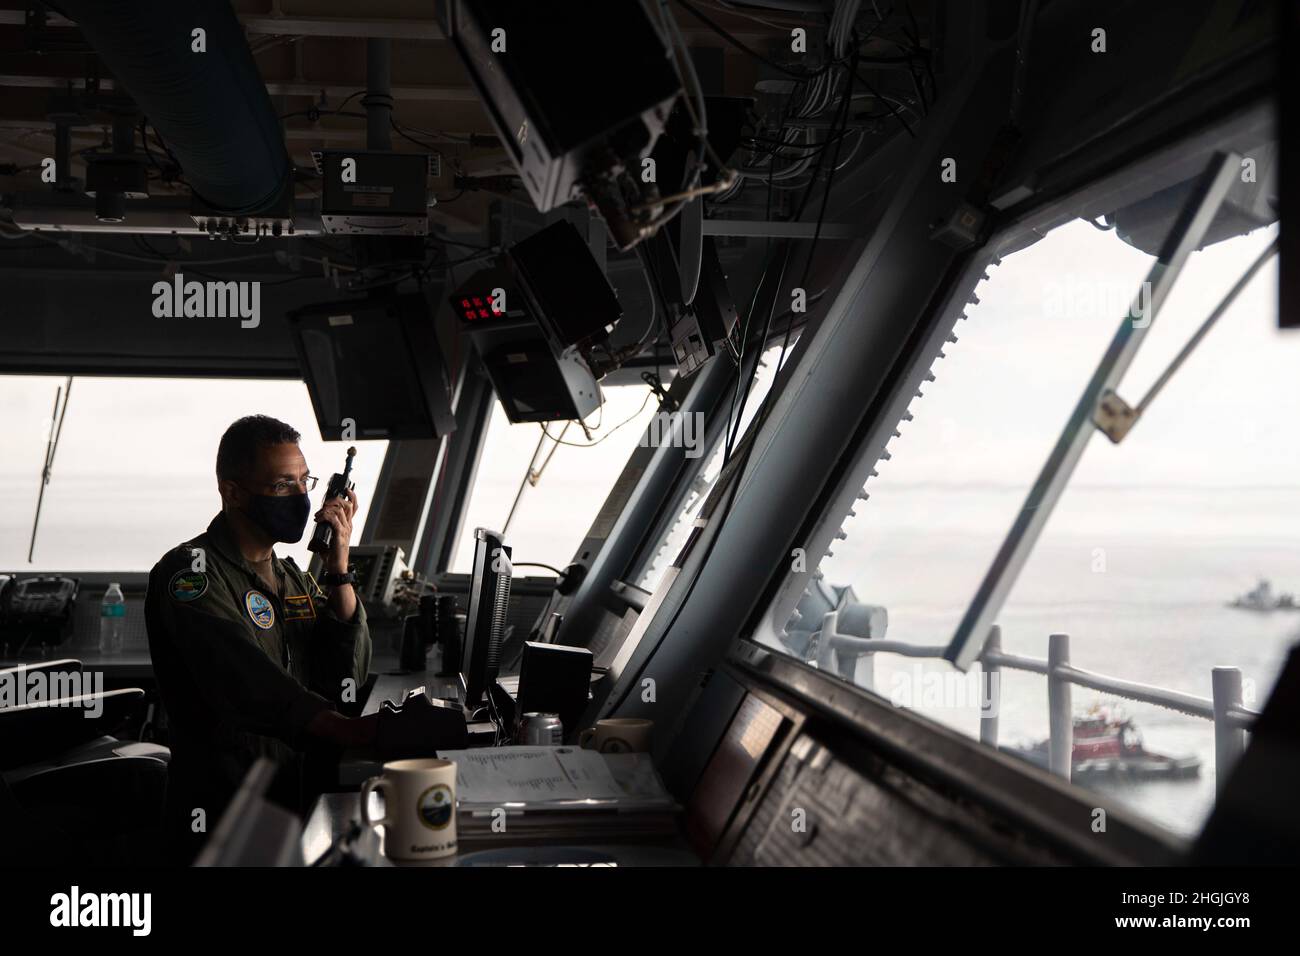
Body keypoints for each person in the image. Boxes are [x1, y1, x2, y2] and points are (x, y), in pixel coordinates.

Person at [145, 415, 381, 863]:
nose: (300, 498)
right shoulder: (190, 574)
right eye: (280, 485)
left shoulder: (292, 576)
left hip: (296, 801)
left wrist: (338, 568)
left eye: (303, 482)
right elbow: (246, 681)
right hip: (226, 810)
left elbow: (345, 679)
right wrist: (350, 731)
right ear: (232, 492)